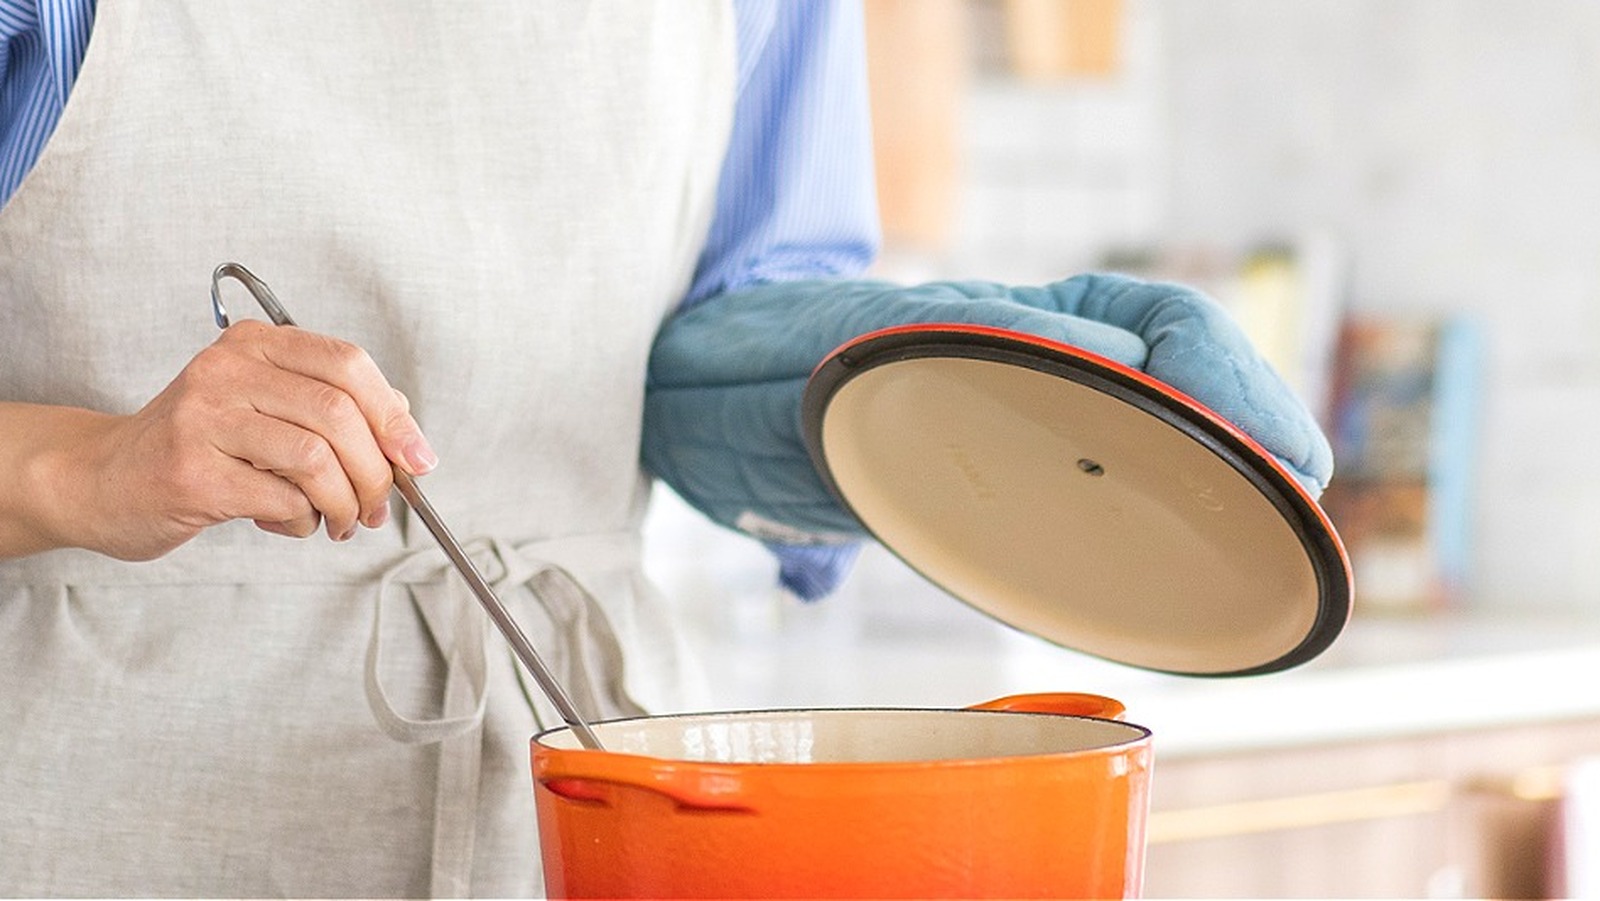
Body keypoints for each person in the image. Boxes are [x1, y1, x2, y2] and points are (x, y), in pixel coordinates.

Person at [0, 1, 1332, 896]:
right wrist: (86, 467)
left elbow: (695, 349)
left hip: (587, 802)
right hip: (98, 796)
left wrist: (931, 390)